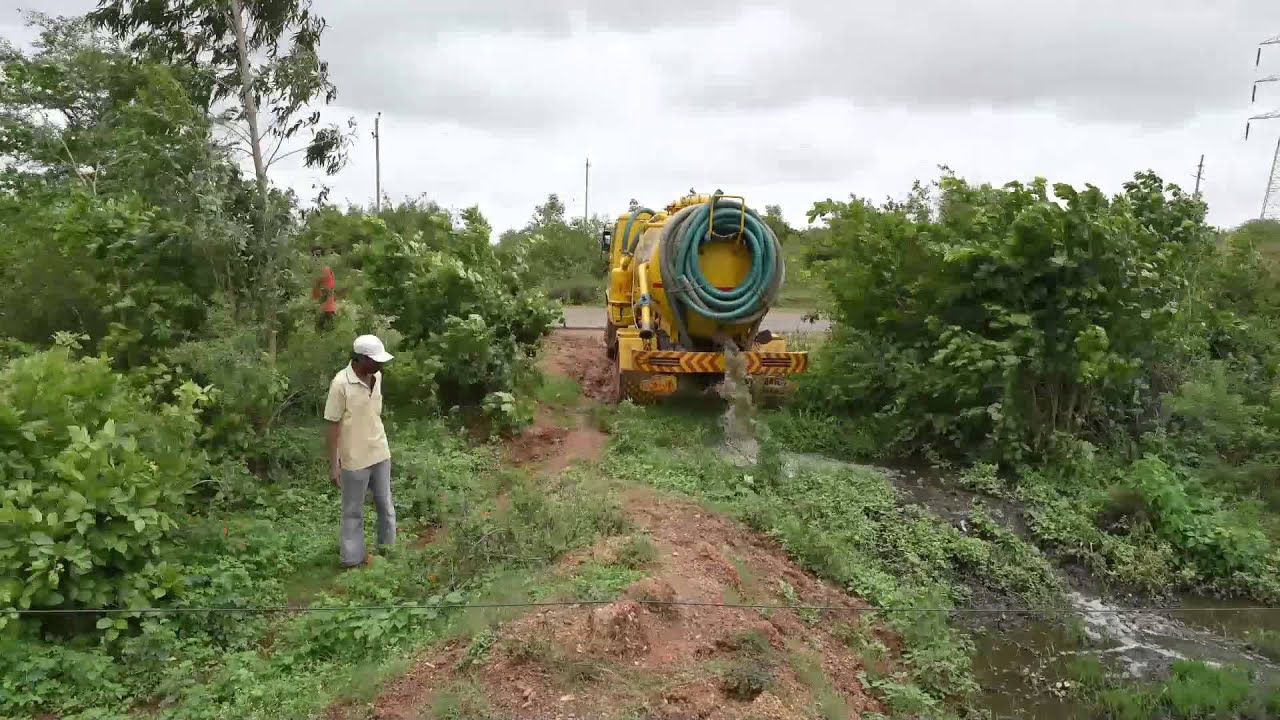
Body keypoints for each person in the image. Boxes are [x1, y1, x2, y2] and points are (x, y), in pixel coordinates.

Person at [324, 334, 396, 567]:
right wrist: (334, 465)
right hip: (354, 459)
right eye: (375, 361)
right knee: (353, 512)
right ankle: (353, 560)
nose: (380, 365)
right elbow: (333, 424)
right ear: (360, 359)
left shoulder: (378, 377)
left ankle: (389, 551)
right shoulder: (340, 384)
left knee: (385, 505)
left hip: (380, 452)